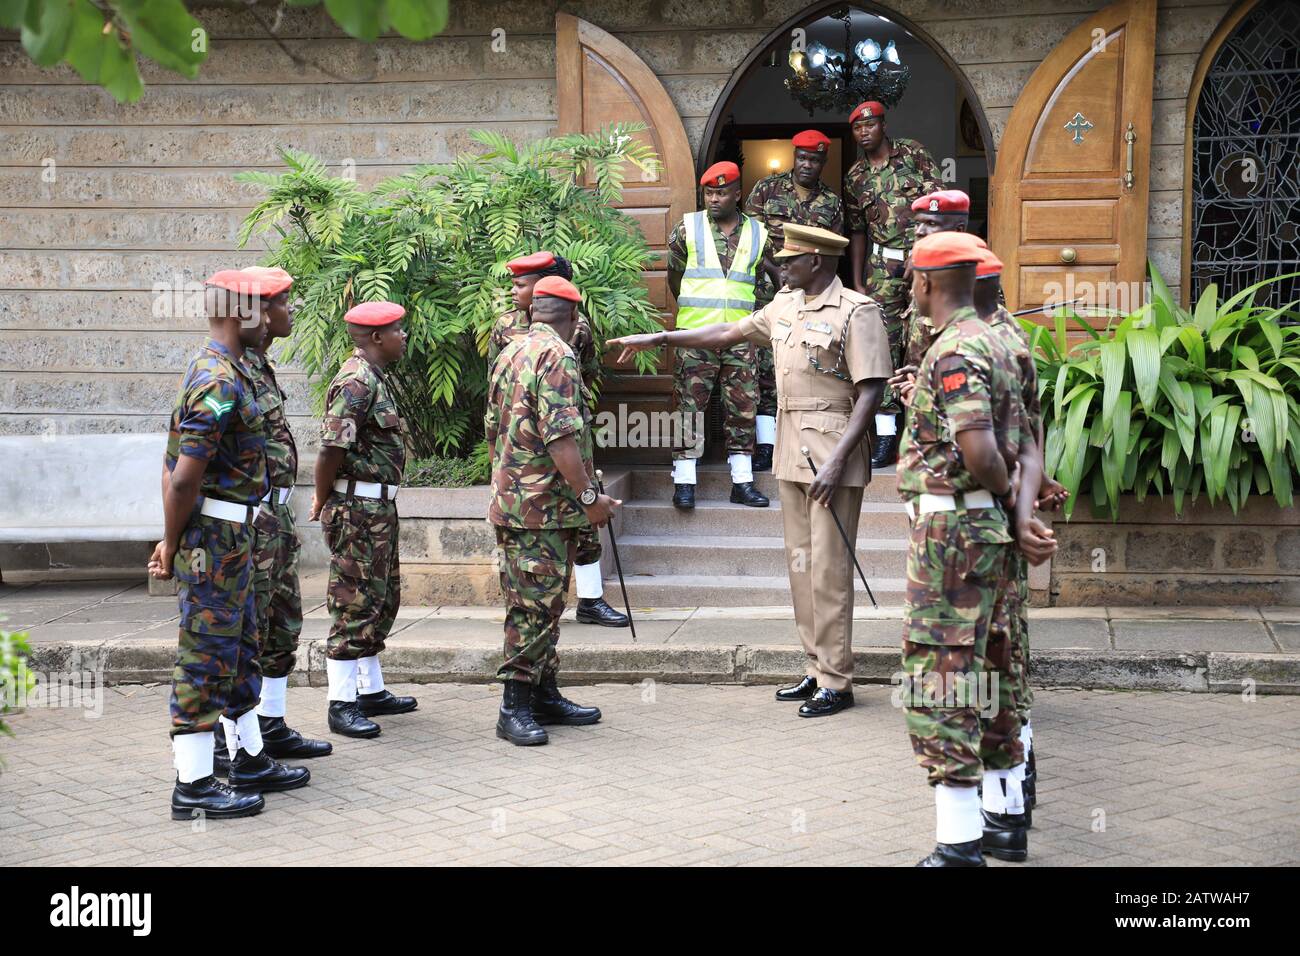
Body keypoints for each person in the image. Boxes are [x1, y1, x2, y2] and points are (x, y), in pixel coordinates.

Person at [611, 223, 891, 718]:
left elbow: (871, 392)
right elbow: (725, 333)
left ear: (818, 263)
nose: (780, 267)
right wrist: (663, 335)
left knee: (828, 569)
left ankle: (838, 679)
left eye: (790, 260)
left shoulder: (857, 311)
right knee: (801, 565)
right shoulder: (784, 304)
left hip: (833, 450)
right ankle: (815, 667)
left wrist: (841, 460)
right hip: (790, 445)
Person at [893, 231, 1046, 867]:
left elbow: (980, 448)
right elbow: (1032, 443)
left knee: (942, 680)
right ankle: (1005, 820)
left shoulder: (954, 348)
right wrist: (1019, 512)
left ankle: (958, 846)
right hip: (988, 533)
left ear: (928, 283)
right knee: (995, 669)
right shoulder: (1004, 342)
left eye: (910, 280)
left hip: (953, 536)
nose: (908, 289)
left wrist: (1009, 504)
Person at [150, 268, 309, 821]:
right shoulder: (217, 379)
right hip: (212, 540)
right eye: (267, 309)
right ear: (241, 312)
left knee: (240, 650)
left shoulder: (231, 370)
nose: (273, 319)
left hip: (236, 534)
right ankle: (192, 786)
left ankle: (248, 760)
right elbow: (181, 478)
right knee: (205, 657)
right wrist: (170, 544)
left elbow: (175, 464)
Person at [486, 276, 616, 746]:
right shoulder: (558, 356)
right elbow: (560, 437)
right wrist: (589, 499)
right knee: (532, 608)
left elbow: (494, 428)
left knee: (544, 604)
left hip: (522, 500)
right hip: (539, 507)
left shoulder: (510, 350)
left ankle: (544, 694)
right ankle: (513, 706)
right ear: (573, 317)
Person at [972, 248, 1068, 818]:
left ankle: (1006, 794)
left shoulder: (992, 344)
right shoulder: (969, 337)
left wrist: (1019, 509)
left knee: (998, 655)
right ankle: (1015, 773)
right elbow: (1029, 438)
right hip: (993, 513)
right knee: (1001, 652)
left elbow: (1014, 439)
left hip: (983, 520)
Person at [487, 251, 629, 628]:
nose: (515, 291)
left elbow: (588, 372)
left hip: (565, 435)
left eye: (522, 284)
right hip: (532, 451)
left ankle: (589, 600)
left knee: (584, 529)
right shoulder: (504, 329)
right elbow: (496, 394)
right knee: (537, 553)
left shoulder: (576, 327)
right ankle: (533, 618)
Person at [311, 301, 418, 739]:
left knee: (380, 598)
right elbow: (330, 451)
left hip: (377, 508)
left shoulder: (374, 378)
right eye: (398, 330)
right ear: (376, 337)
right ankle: (341, 702)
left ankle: (370, 689)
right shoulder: (355, 382)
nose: (404, 337)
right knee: (353, 602)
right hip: (356, 509)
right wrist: (321, 501)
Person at [667, 160, 776, 510]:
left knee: (743, 407)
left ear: (738, 193)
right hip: (696, 334)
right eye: (709, 192)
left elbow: (764, 279)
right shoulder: (688, 228)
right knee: (689, 407)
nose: (714, 199)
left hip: (740, 335)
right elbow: (675, 277)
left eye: (722, 192)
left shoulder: (759, 232)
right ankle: (684, 482)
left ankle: (741, 482)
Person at [843, 100, 943, 467]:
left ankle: (925, 431)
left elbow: (937, 206)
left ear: (883, 125)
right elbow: (856, 230)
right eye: (857, 127)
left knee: (925, 337)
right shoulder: (855, 176)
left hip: (926, 260)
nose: (864, 131)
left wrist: (922, 253)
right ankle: (886, 435)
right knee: (882, 344)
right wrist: (856, 282)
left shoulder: (914, 154)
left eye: (870, 124)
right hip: (880, 266)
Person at [744, 129, 846, 472]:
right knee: (764, 369)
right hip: (768, 293)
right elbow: (752, 239)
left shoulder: (831, 202)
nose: (807, 165)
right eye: (802, 158)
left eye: (814, 160)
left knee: (803, 364)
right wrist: (777, 273)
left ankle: (804, 442)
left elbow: (833, 252)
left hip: (812, 297)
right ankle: (766, 445)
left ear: (823, 162)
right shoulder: (766, 190)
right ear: (793, 157)